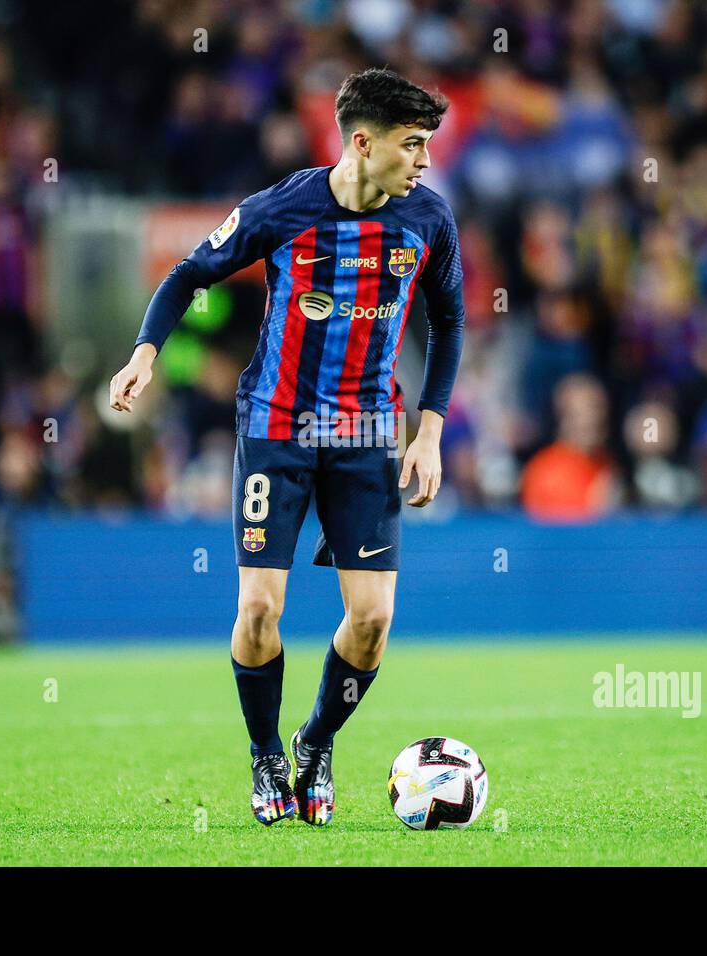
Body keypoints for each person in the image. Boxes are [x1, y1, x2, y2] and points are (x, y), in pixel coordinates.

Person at [108, 68, 465, 827]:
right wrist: (145, 351)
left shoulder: (428, 221)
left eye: (428, 145)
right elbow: (187, 272)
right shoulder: (283, 208)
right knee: (260, 608)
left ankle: (315, 741)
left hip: (369, 432)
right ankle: (266, 751)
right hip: (278, 426)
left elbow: (451, 322)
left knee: (371, 621)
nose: (426, 161)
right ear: (362, 143)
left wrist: (429, 429)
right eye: (414, 145)